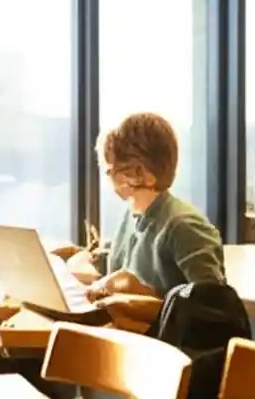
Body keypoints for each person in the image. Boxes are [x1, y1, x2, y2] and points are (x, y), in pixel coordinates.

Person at [67, 111, 225, 327]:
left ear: (139, 172)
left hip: (168, 350)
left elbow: (214, 312)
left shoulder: (183, 225)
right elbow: (112, 263)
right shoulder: (132, 216)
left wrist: (142, 297)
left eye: (110, 170)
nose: (108, 178)